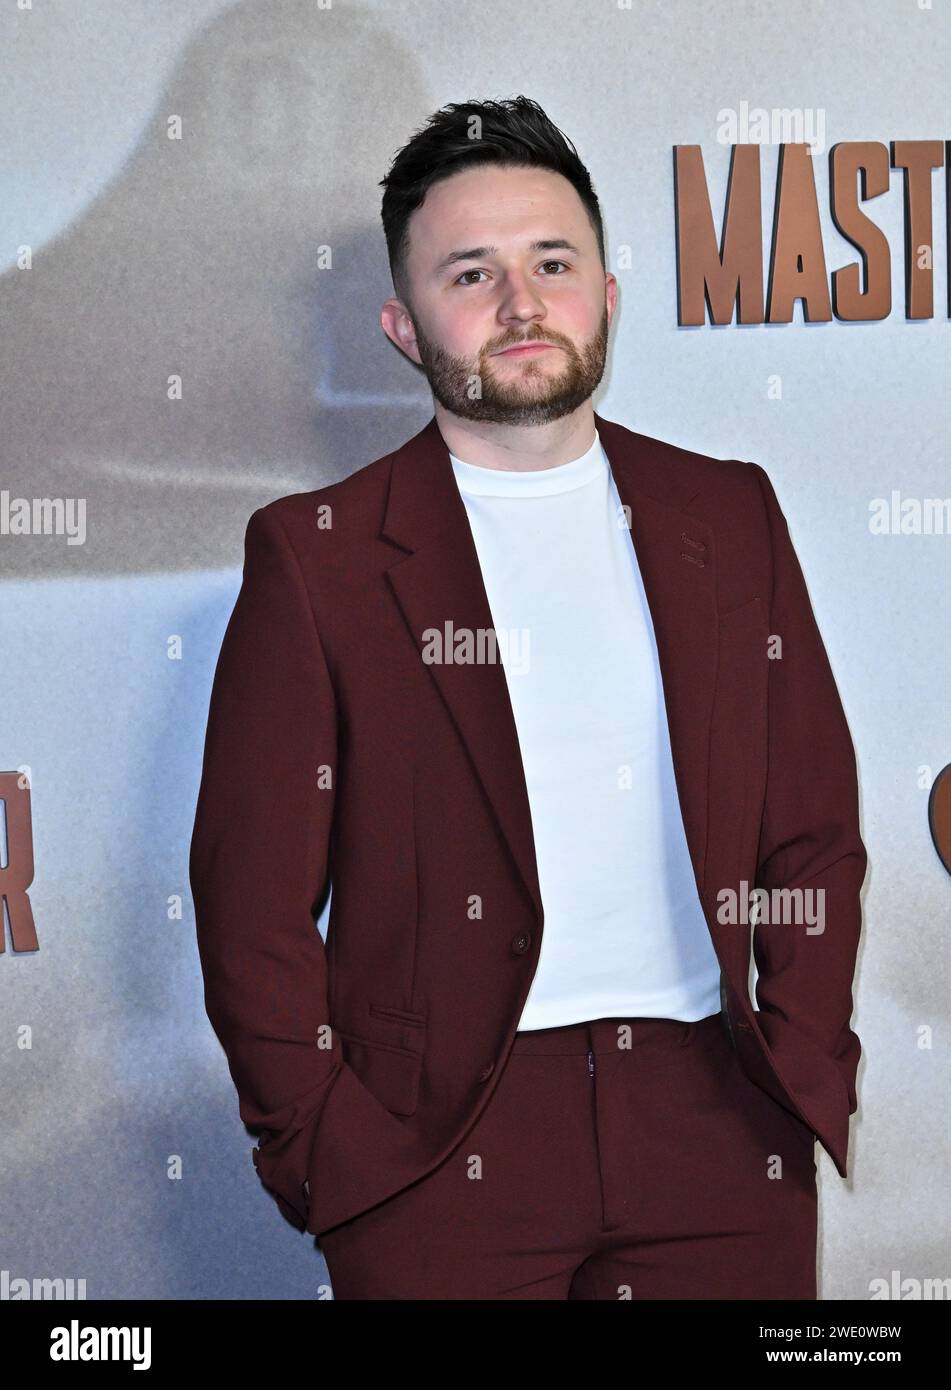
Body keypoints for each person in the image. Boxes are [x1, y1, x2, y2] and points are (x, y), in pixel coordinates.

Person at [190, 96, 867, 1300]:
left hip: (713, 1127)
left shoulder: (731, 515)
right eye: (472, 272)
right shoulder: (320, 556)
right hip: (433, 1148)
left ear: (607, 287)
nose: (520, 303)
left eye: (552, 262)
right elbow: (252, 903)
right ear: (404, 326)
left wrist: (803, 1056)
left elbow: (812, 828)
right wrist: (328, 1148)